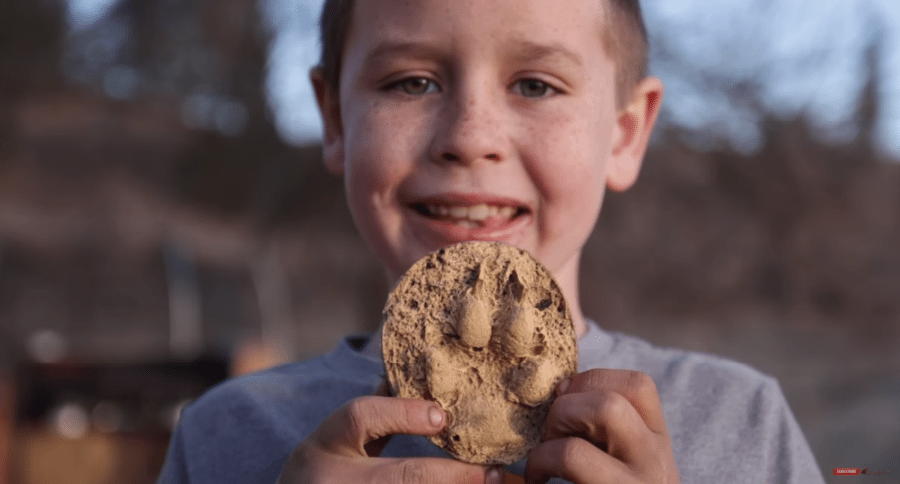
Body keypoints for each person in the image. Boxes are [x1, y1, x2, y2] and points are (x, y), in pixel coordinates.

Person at [157, 0, 827, 482]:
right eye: (411, 82)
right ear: (335, 119)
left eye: (536, 85)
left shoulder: (741, 425)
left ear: (624, 134)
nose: (470, 137)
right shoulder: (227, 434)